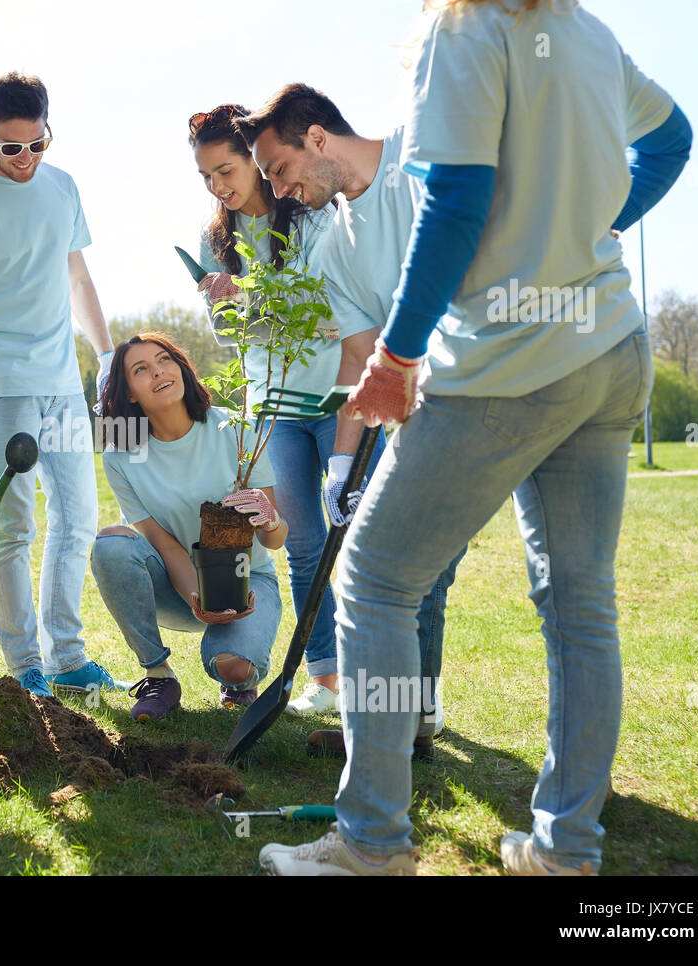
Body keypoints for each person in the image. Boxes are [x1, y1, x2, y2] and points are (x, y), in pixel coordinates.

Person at [257, 0, 690, 875]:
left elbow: (456, 199)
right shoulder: (585, 31)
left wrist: (399, 351)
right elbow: (673, 139)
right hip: (608, 345)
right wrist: (597, 231)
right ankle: (566, 850)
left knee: (376, 579)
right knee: (580, 607)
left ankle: (372, 843)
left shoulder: (463, 31)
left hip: (508, 362)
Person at [235, 86, 468, 751]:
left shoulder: (418, 156)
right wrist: (341, 462)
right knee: (397, 565)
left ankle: (400, 723)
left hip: (497, 383)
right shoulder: (335, 244)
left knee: (407, 562)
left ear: (315, 139)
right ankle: (405, 720)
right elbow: (360, 360)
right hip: (425, 414)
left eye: (279, 169)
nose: (279, 189)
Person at [0, 71, 122, 698]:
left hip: (61, 383)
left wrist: (108, 354)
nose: (26, 160)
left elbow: (79, 278)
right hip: (0, 383)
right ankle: (24, 667)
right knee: (14, 526)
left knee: (78, 516)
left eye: (38, 144)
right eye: (12, 148)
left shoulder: (61, 187)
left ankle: (66, 655)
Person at [189, 103, 385, 719]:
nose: (220, 186)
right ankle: (326, 682)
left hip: (336, 401)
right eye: (207, 178)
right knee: (301, 547)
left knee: (357, 542)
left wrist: (248, 303)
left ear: (257, 158)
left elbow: (332, 317)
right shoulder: (215, 239)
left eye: (227, 169)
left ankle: (379, 685)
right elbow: (231, 339)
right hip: (271, 409)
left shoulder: (317, 216)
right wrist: (226, 307)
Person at [92, 334, 287, 718]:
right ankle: (158, 674)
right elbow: (164, 545)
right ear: (129, 393)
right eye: (141, 369)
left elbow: (275, 540)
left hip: (248, 582)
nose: (158, 371)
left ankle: (237, 681)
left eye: (164, 359)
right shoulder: (121, 456)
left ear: (180, 367)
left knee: (234, 666)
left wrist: (272, 518)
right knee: (110, 544)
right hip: (177, 586)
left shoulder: (235, 429)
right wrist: (201, 601)